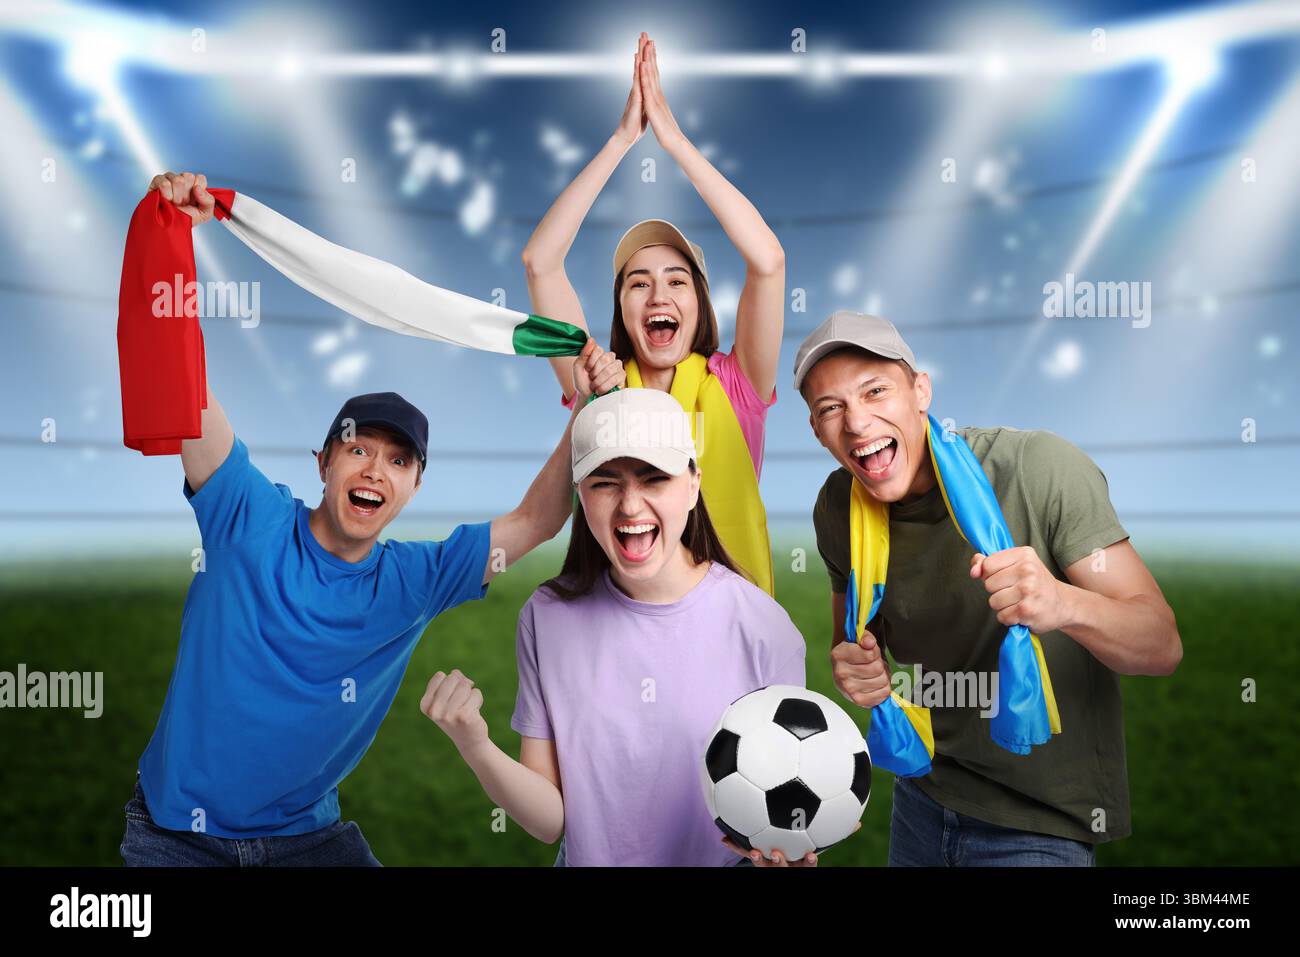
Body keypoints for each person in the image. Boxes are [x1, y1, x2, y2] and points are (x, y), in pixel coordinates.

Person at [119, 170, 624, 866]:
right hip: (176, 838)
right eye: (358, 448)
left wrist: (589, 405)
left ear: (414, 485)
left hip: (308, 841)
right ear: (323, 462)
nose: (375, 470)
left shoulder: (415, 577)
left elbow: (538, 517)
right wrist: (177, 240)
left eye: (398, 461)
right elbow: (185, 389)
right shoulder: (246, 513)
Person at [795, 310, 1182, 867]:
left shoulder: (1039, 469)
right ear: (817, 429)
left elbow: (1161, 645)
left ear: (920, 390)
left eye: (875, 390)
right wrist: (854, 668)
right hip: (923, 799)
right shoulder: (838, 508)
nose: (856, 423)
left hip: (1038, 825)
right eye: (830, 409)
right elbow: (854, 646)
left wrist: (1062, 602)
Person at [421, 388, 813, 866]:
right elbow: (550, 822)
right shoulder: (546, 617)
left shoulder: (763, 628)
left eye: (655, 479)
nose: (630, 506)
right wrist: (476, 746)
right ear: (580, 495)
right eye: (605, 482)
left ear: (692, 485)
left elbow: (782, 809)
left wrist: (788, 850)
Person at [521, 33, 784, 595]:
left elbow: (768, 259)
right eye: (638, 284)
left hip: (733, 626)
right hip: (625, 619)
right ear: (621, 309)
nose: (658, 295)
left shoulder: (738, 385)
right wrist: (622, 140)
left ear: (700, 304)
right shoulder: (599, 383)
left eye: (677, 281)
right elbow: (541, 262)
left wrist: (672, 138)